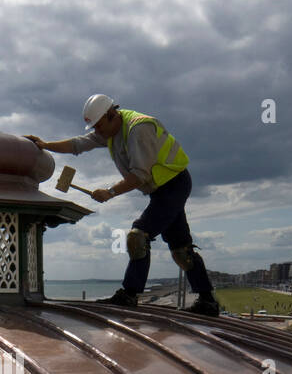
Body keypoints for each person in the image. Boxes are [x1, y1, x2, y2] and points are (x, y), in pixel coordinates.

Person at [26, 94, 219, 315]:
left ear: (112, 115)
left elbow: (139, 176)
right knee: (180, 249)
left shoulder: (138, 130)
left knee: (138, 236)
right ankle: (207, 301)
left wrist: (109, 192)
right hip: (161, 190)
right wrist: (45, 145)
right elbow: (79, 143)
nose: (97, 132)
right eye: (94, 128)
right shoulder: (109, 130)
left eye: (99, 126)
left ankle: (129, 294)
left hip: (174, 185)